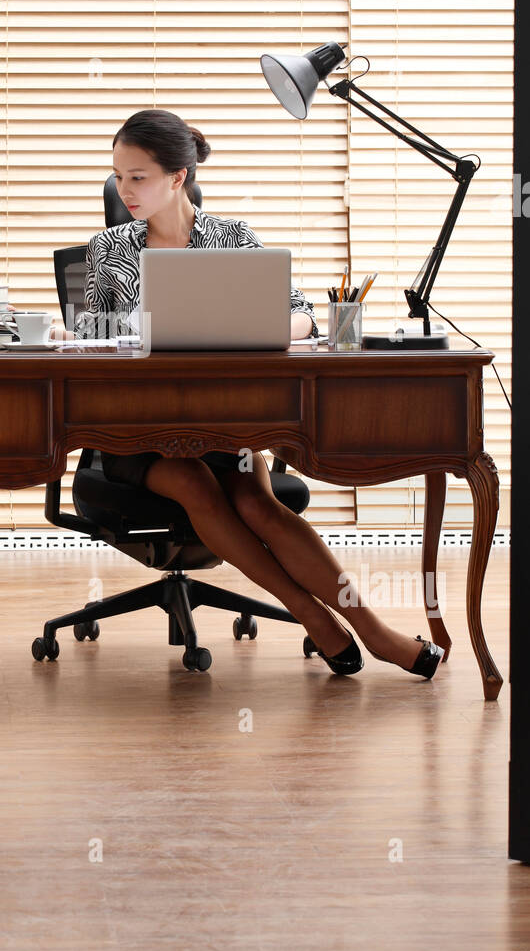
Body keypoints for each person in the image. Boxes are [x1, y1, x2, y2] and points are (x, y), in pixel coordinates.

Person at [50, 108, 443, 680]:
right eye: (119, 176)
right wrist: (78, 332)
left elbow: (304, 315)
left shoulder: (232, 238)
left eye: (138, 176)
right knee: (194, 484)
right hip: (136, 433)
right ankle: (313, 613)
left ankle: (375, 628)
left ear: (178, 176)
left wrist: (260, 327)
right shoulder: (108, 249)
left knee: (261, 503)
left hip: (223, 423)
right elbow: (90, 338)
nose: (124, 189)